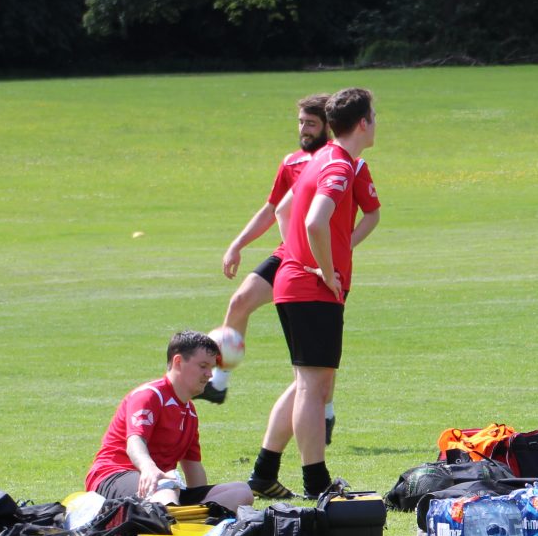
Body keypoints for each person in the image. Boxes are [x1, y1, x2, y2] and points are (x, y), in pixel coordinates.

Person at [204, 98, 379, 444]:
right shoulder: (296, 163)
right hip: (294, 259)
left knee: (314, 369)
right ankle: (219, 383)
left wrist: (336, 251)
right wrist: (238, 244)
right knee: (240, 301)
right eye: (300, 122)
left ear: (329, 125)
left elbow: (368, 215)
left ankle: (321, 415)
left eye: (310, 123)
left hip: (316, 265)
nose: (303, 129)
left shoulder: (347, 165)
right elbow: (276, 210)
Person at [246, 86, 378, 500]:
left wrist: (313, 257)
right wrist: (323, 266)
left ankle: (264, 472)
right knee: (311, 387)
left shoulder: (321, 157)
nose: (376, 123)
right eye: (374, 116)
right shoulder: (339, 165)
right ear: (362, 123)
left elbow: (286, 210)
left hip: (298, 283)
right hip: (311, 287)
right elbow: (314, 222)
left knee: (308, 382)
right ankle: (316, 482)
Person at [85, 331, 254, 509]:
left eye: (211, 368)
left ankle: (180, 520)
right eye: (203, 366)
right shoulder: (149, 396)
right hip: (113, 475)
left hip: (162, 488)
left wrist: (200, 499)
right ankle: (173, 519)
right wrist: (148, 468)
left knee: (241, 492)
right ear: (178, 362)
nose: (209, 375)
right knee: (166, 489)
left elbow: (193, 467)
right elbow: (135, 442)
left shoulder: (190, 412)